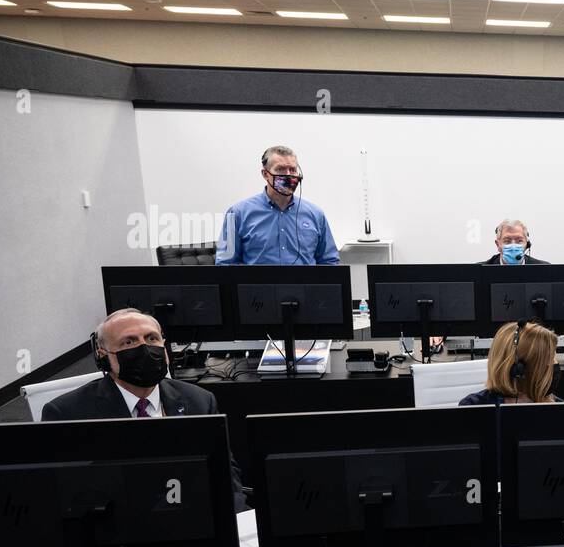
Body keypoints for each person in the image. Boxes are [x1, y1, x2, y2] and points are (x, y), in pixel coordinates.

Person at [42, 308, 247, 511]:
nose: (144, 348)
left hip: (193, 518)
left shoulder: (199, 400)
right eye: (128, 342)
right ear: (103, 356)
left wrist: (235, 517)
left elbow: (226, 472)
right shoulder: (67, 413)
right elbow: (66, 495)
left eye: (151, 339)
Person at [216, 145, 340, 265]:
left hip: (303, 286)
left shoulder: (316, 215)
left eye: (292, 169)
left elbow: (329, 262)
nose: (288, 174)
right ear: (265, 174)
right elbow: (225, 264)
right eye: (280, 169)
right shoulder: (238, 213)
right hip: (258, 286)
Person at [459, 321, 563, 405]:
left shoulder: (559, 406)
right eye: (549, 359)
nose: (554, 364)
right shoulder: (473, 407)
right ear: (518, 369)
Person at [479, 219, 548, 265]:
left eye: (519, 241)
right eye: (507, 241)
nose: (513, 246)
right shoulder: (479, 271)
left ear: (527, 244)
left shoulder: (545, 269)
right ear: (498, 244)